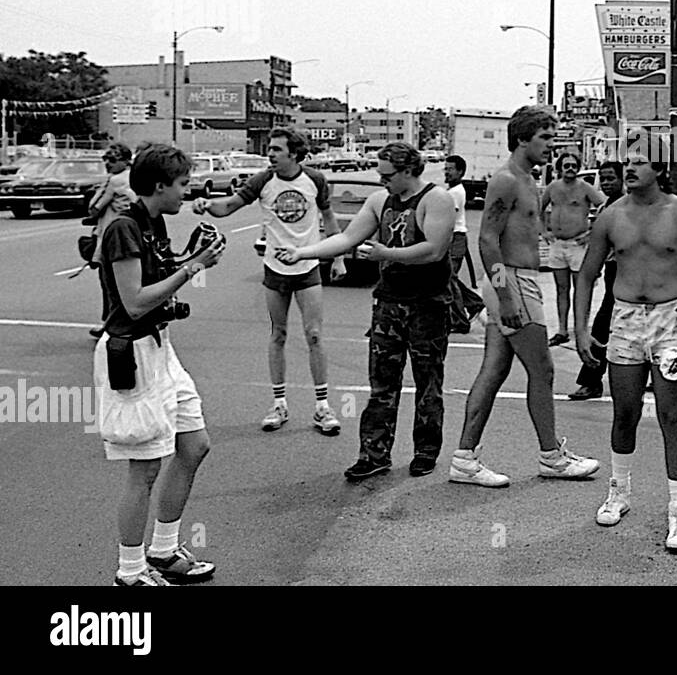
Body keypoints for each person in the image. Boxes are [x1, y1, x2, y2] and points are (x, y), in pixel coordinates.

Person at [574, 135, 677, 551]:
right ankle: (619, 491)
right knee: (625, 412)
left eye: (639, 162)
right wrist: (582, 329)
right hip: (623, 321)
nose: (629, 169)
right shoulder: (610, 215)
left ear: (659, 170)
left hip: (669, 322)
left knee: (672, 417)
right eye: (626, 163)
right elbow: (586, 274)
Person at [279, 141, 457, 481]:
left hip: (427, 303)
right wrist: (304, 253)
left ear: (408, 170)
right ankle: (374, 453)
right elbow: (346, 239)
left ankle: (425, 451)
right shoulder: (380, 201)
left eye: (387, 174)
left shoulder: (437, 200)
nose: (382, 180)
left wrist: (386, 254)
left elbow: (434, 250)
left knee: (428, 382)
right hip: (389, 302)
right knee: (382, 383)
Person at [448, 106, 600, 487]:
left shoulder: (527, 179)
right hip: (513, 281)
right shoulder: (506, 180)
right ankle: (552, 456)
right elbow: (486, 239)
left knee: (495, 370)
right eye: (545, 137)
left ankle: (465, 458)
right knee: (543, 370)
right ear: (522, 139)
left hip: (521, 280)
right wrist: (505, 295)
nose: (552, 144)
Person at [96, 142, 226, 585]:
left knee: (194, 445)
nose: (187, 193)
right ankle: (130, 572)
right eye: (183, 184)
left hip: (160, 347)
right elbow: (133, 303)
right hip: (133, 351)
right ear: (158, 185)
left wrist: (190, 255)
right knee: (145, 467)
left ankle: (165, 549)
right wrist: (194, 268)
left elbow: (159, 279)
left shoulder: (153, 222)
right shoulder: (123, 229)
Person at [193, 127, 344, 436]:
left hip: (308, 267)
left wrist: (338, 257)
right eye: (270, 149)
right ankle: (279, 404)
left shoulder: (315, 179)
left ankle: (322, 407)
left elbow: (329, 219)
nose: (270, 154)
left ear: (293, 152)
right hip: (275, 268)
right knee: (278, 334)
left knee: (314, 335)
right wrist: (207, 205)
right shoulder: (263, 180)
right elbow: (229, 206)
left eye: (276, 149)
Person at [568, 160, 624, 401]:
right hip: (613, 272)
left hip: (628, 273)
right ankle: (591, 380)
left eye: (612, 177)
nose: (608, 182)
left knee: (608, 327)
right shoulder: (606, 207)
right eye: (605, 178)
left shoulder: (625, 206)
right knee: (602, 327)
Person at [541, 151, 605, 346]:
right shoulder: (552, 188)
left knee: (581, 288)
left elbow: (605, 206)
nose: (570, 169)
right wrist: (544, 232)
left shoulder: (585, 188)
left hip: (578, 245)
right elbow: (538, 209)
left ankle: (581, 328)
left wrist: (591, 233)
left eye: (573, 165)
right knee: (562, 289)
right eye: (566, 165)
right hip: (558, 245)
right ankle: (561, 329)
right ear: (560, 168)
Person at [88, 141, 137, 339]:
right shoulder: (135, 178)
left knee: (109, 282)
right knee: (128, 282)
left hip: (110, 236)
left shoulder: (116, 180)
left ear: (125, 161)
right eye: (105, 159)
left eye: (113, 159)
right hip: (130, 235)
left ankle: (109, 322)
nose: (108, 163)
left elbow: (94, 208)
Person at [443, 155, 476, 287]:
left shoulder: (455, 193)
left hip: (455, 237)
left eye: (450, 169)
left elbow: (450, 218)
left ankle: (472, 304)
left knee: (448, 279)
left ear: (460, 172)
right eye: (445, 169)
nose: (447, 172)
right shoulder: (454, 190)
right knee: (449, 278)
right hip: (456, 237)